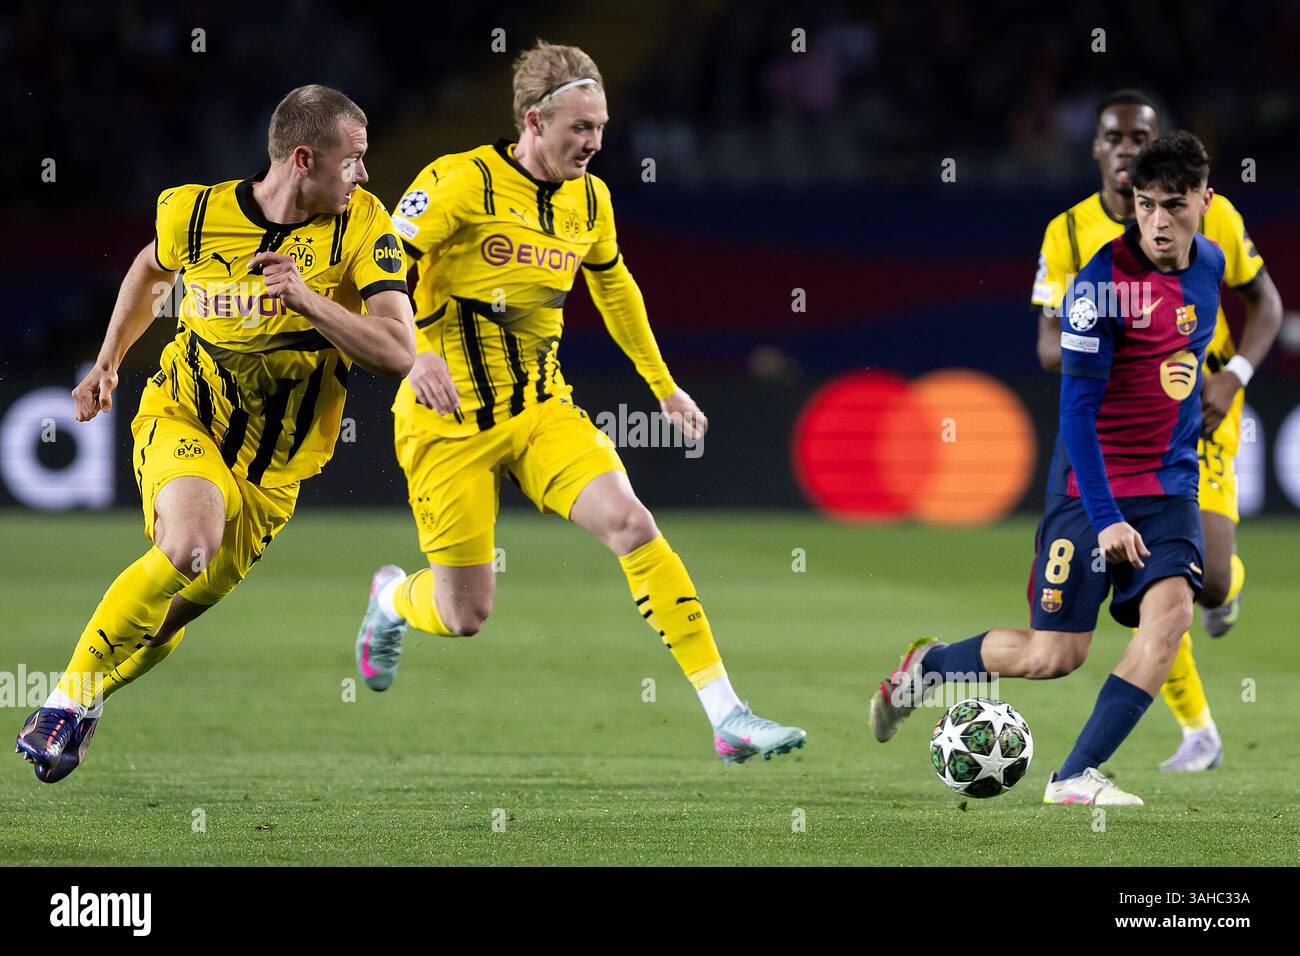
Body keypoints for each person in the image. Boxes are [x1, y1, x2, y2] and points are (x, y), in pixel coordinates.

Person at [353, 40, 804, 764]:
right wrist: (416, 353)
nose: (595, 142)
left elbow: (614, 287)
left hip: (541, 410)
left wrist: (664, 386)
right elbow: (381, 263)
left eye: (599, 127)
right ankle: (389, 601)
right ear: (534, 120)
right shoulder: (458, 182)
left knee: (632, 523)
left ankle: (728, 716)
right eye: (580, 128)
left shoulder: (590, 199)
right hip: (446, 420)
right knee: (464, 615)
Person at [15, 85, 415, 783]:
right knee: (190, 543)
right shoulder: (193, 213)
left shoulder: (365, 227)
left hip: (274, 473)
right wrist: (108, 361)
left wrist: (307, 298)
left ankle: (88, 702)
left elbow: (397, 350)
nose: (364, 175)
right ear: (303, 159)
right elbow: (149, 270)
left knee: (167, 618)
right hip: (185, 416)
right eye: (353, 160)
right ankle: (61, 700)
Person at [872, 131, 1223, 806]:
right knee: (1053, 656)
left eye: (1173, 205)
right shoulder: (1097, 289)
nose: (1156, 220)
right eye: (1144, 204)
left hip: (1171, 486)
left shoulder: (1209, 263)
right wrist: (1107, 519)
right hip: (1089, 489)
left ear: (1205, 201)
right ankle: (931, 665)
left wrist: (1227, 377)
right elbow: (1076, 417)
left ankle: (1073, 777)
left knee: (1172, 616)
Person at [1030, 90, 1282, 771]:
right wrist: (1107, 342)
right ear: (1097, 149)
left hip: (1201, 410)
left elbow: (1267, 302)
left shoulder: (1213, 215)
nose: (1126, 149)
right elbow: (1049, 346)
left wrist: (1235, 380)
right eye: (1114, 137)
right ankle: (1197, 730)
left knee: (1212, 581)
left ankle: (1226, 592)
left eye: (1139, 135)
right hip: (1118, 425)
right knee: (1159, 589)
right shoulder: (1072, 236)